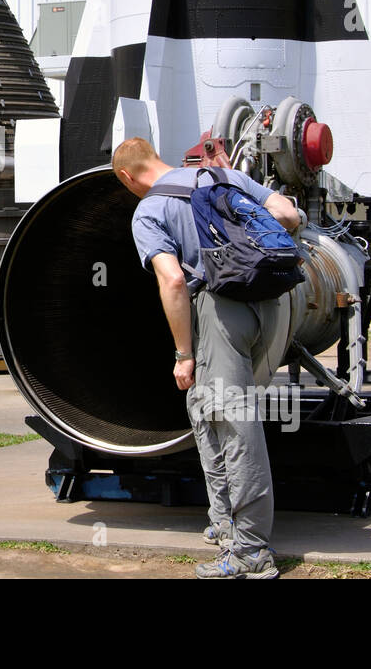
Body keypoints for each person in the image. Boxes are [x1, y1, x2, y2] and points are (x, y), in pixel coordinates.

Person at [113, 136, 302, 580]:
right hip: (271, 309)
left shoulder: (150, 211)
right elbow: (288, 214)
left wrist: (183, 354)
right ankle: (224, 525)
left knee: (235, 425)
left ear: (127, 176)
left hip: (218, 311)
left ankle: (252, 552)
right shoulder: (225, 176)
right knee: (208, 412)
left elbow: (174, 282)